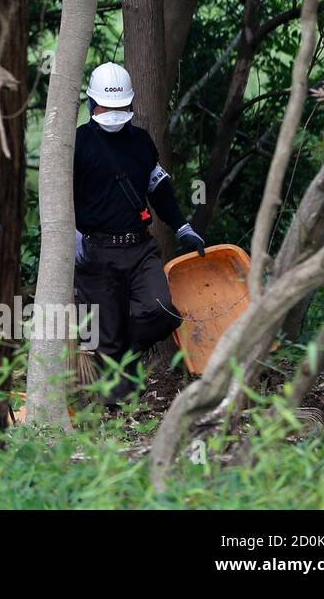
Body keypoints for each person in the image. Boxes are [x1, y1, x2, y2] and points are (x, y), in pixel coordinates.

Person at [74, 62, 205, 405]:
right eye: (106, 108)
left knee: (160, 311)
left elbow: (159, 189)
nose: (112, 115)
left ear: (131, 104)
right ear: (91, 105)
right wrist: (71, 238)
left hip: (139, 248)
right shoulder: (77, 144)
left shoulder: (142, 142)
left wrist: (182, 226)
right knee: (105, 340)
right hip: (96, 253)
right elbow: (60, 196)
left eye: (119, 108)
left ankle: (129, 357)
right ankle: (116, 412)